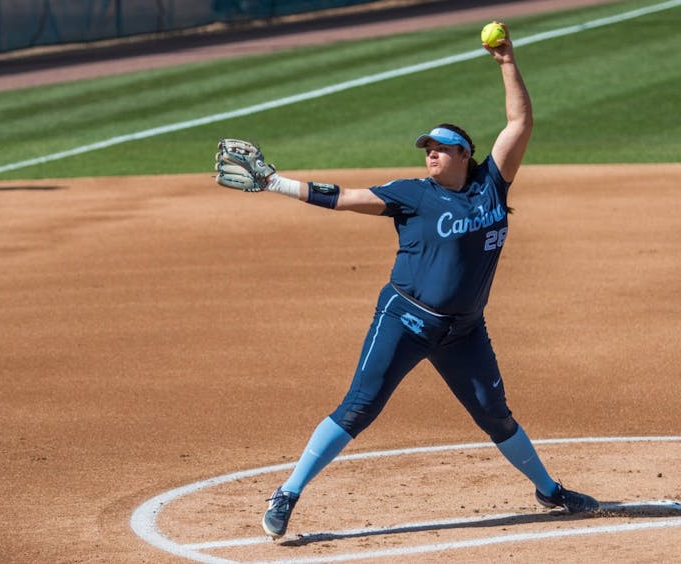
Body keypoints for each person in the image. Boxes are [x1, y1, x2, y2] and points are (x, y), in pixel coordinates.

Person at [214, 22, 600, 540]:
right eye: (427, 148)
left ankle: (549, 490)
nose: (431, 153)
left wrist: (507, 62)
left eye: (442, 147)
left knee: (495, 415)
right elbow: (343, 197)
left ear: (465, 154)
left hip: (464, 331)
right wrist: (274, 182)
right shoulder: (412, 194)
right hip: (405, 320)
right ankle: (288, 493)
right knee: (360, 406)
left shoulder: (491, 185)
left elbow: (520, 122)